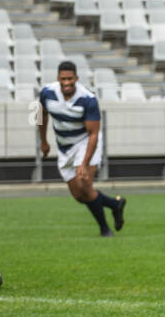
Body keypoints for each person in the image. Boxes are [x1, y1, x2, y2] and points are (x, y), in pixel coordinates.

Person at [38, 61, 127, 237]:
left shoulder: (88, 99)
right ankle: (114, 204)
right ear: (58, 78)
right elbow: (41, 116)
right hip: (64, 147)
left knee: (85, 186)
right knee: (79, 196)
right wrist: (44, 142)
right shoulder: (47, 93)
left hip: (85, 143)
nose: (67, 83)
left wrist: (84, 163)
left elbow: (93, 133)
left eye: (70, 79)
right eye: (63, 79)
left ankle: (105, 229)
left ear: (76, 78)